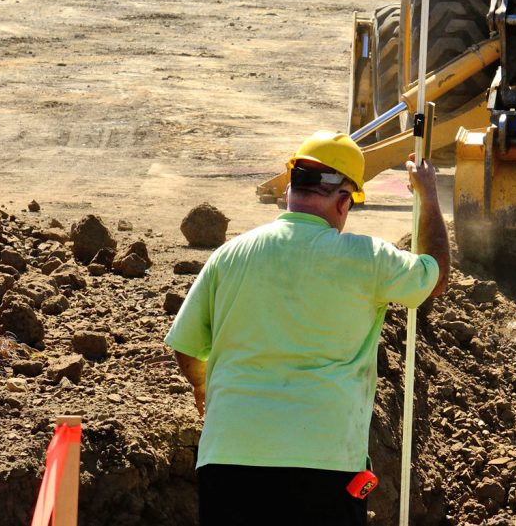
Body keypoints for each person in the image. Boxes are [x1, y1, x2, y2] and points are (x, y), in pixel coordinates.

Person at [165, 130, 450, 526]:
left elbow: (187, 344)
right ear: (344, 201)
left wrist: (203, 388)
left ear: (289, 190)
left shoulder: (229, 256)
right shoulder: (367, 259)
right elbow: (434, 277)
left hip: (228, 460)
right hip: (324, 466)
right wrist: (428, 195)